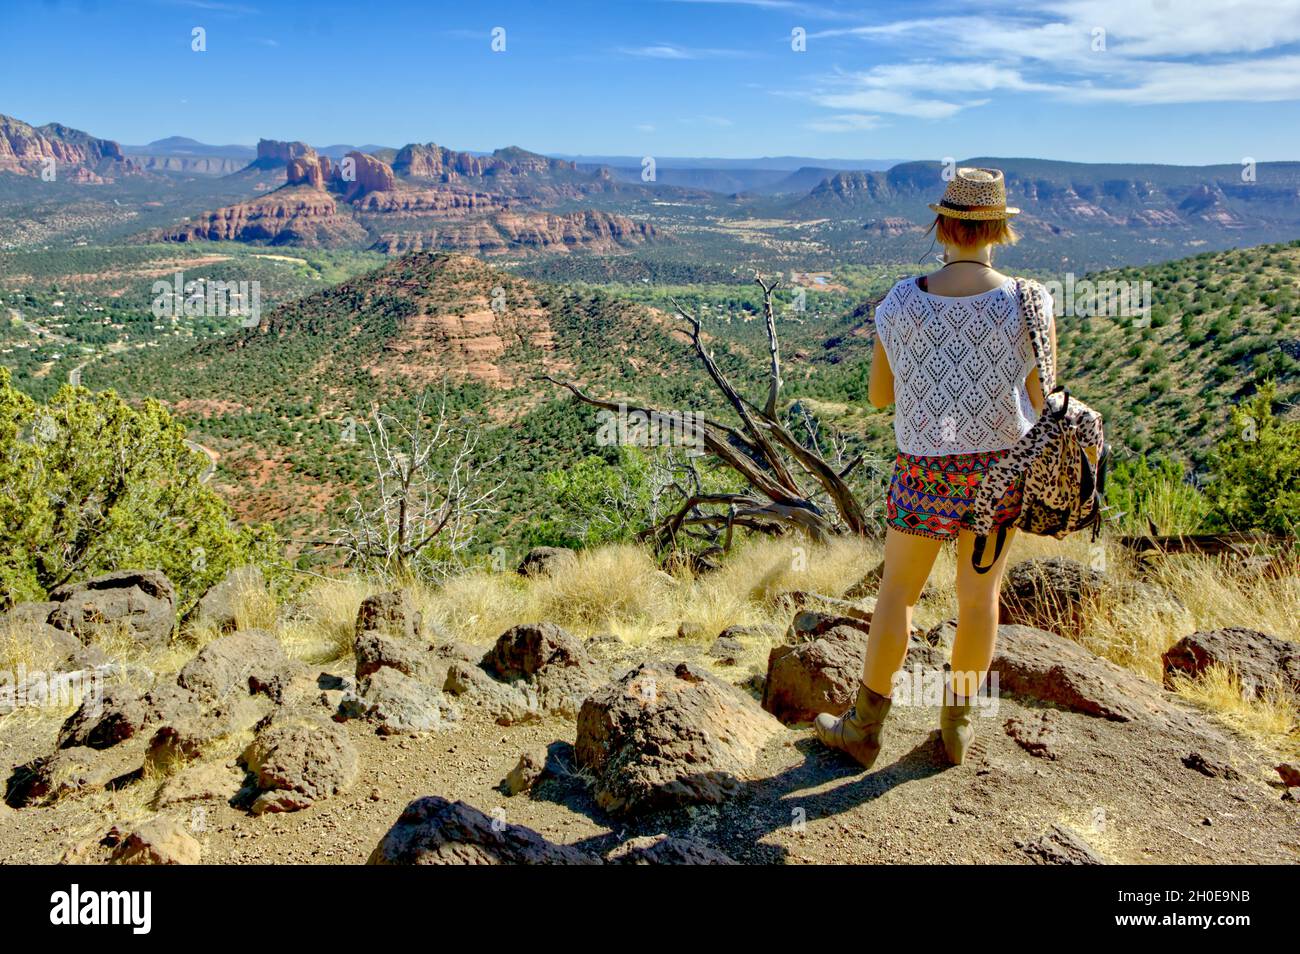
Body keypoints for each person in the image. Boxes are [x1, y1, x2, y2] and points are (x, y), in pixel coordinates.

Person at [814, 167, 1056, 768]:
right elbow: (1039, 397)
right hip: (1001, 472)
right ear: (998, 226)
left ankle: (865, 727)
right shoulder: (1031, 301)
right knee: (980, 600)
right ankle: (956, 729)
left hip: (924, 469)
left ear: (941, 224)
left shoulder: (900, 300)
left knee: (897, 594)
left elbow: (877, 396)